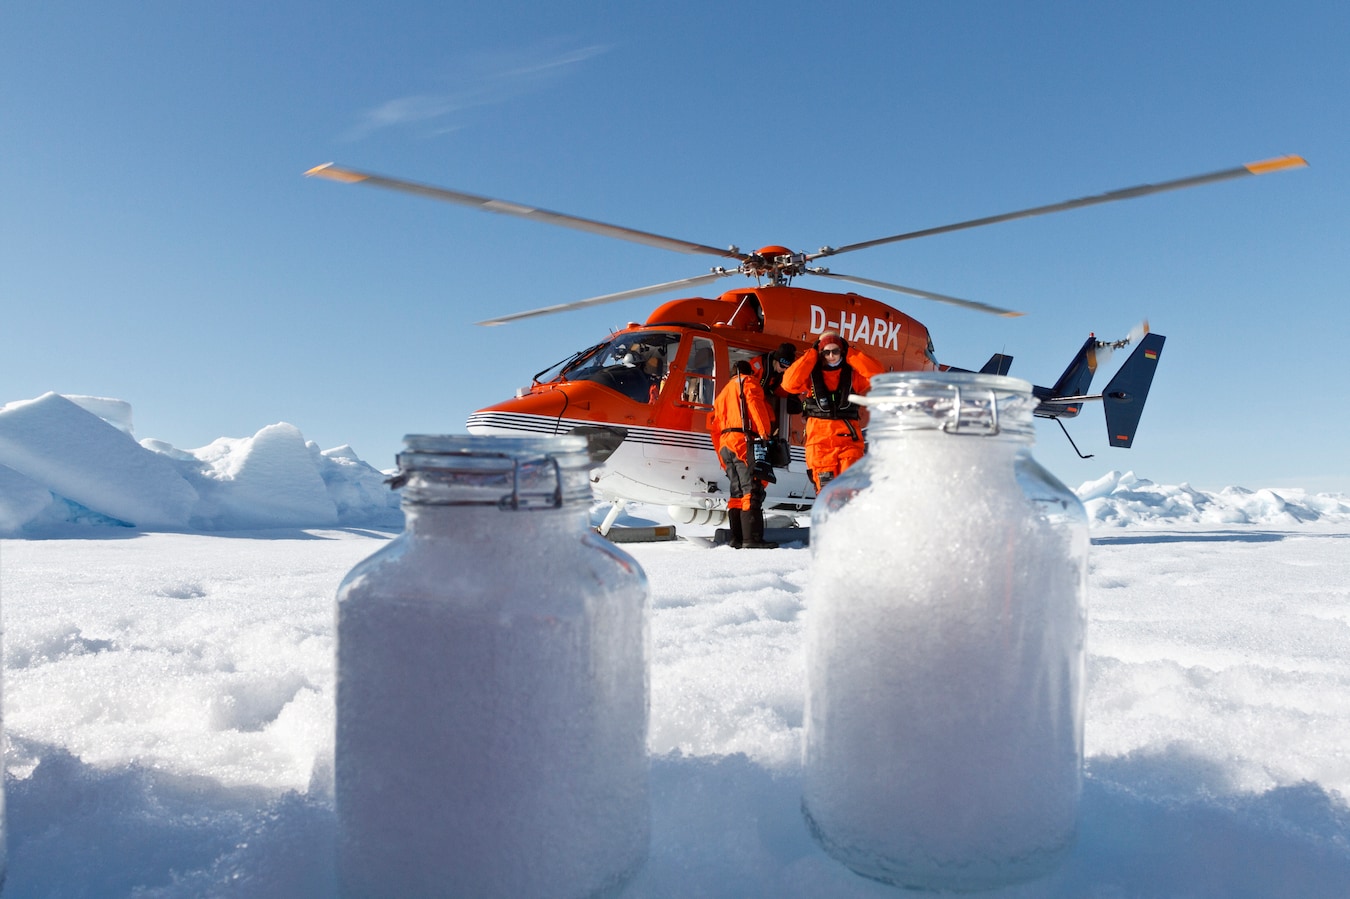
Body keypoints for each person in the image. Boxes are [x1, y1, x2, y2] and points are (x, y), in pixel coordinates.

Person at [780, 330, 885, 492]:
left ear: (842, 351)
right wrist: (812, 354)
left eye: (835, 351)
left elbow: (878, 374)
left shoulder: (853, 377)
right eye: (826, 352)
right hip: (820, 446)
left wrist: (851, 352)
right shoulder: (810, 378)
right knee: (827, 497)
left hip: (848, 445)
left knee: (851, 493)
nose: (831, 356)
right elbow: (789, 383)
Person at [709, 359, 778, 549]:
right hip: (742, 441)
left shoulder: (722, 394)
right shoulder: (748, 383)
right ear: (750, 373)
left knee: (736, 492)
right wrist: (764, 434)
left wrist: (721, 455)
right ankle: (752, 539)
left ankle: (736, 538)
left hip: (725, 444)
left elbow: (714, 428)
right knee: (752, 489)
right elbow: (755, 406)